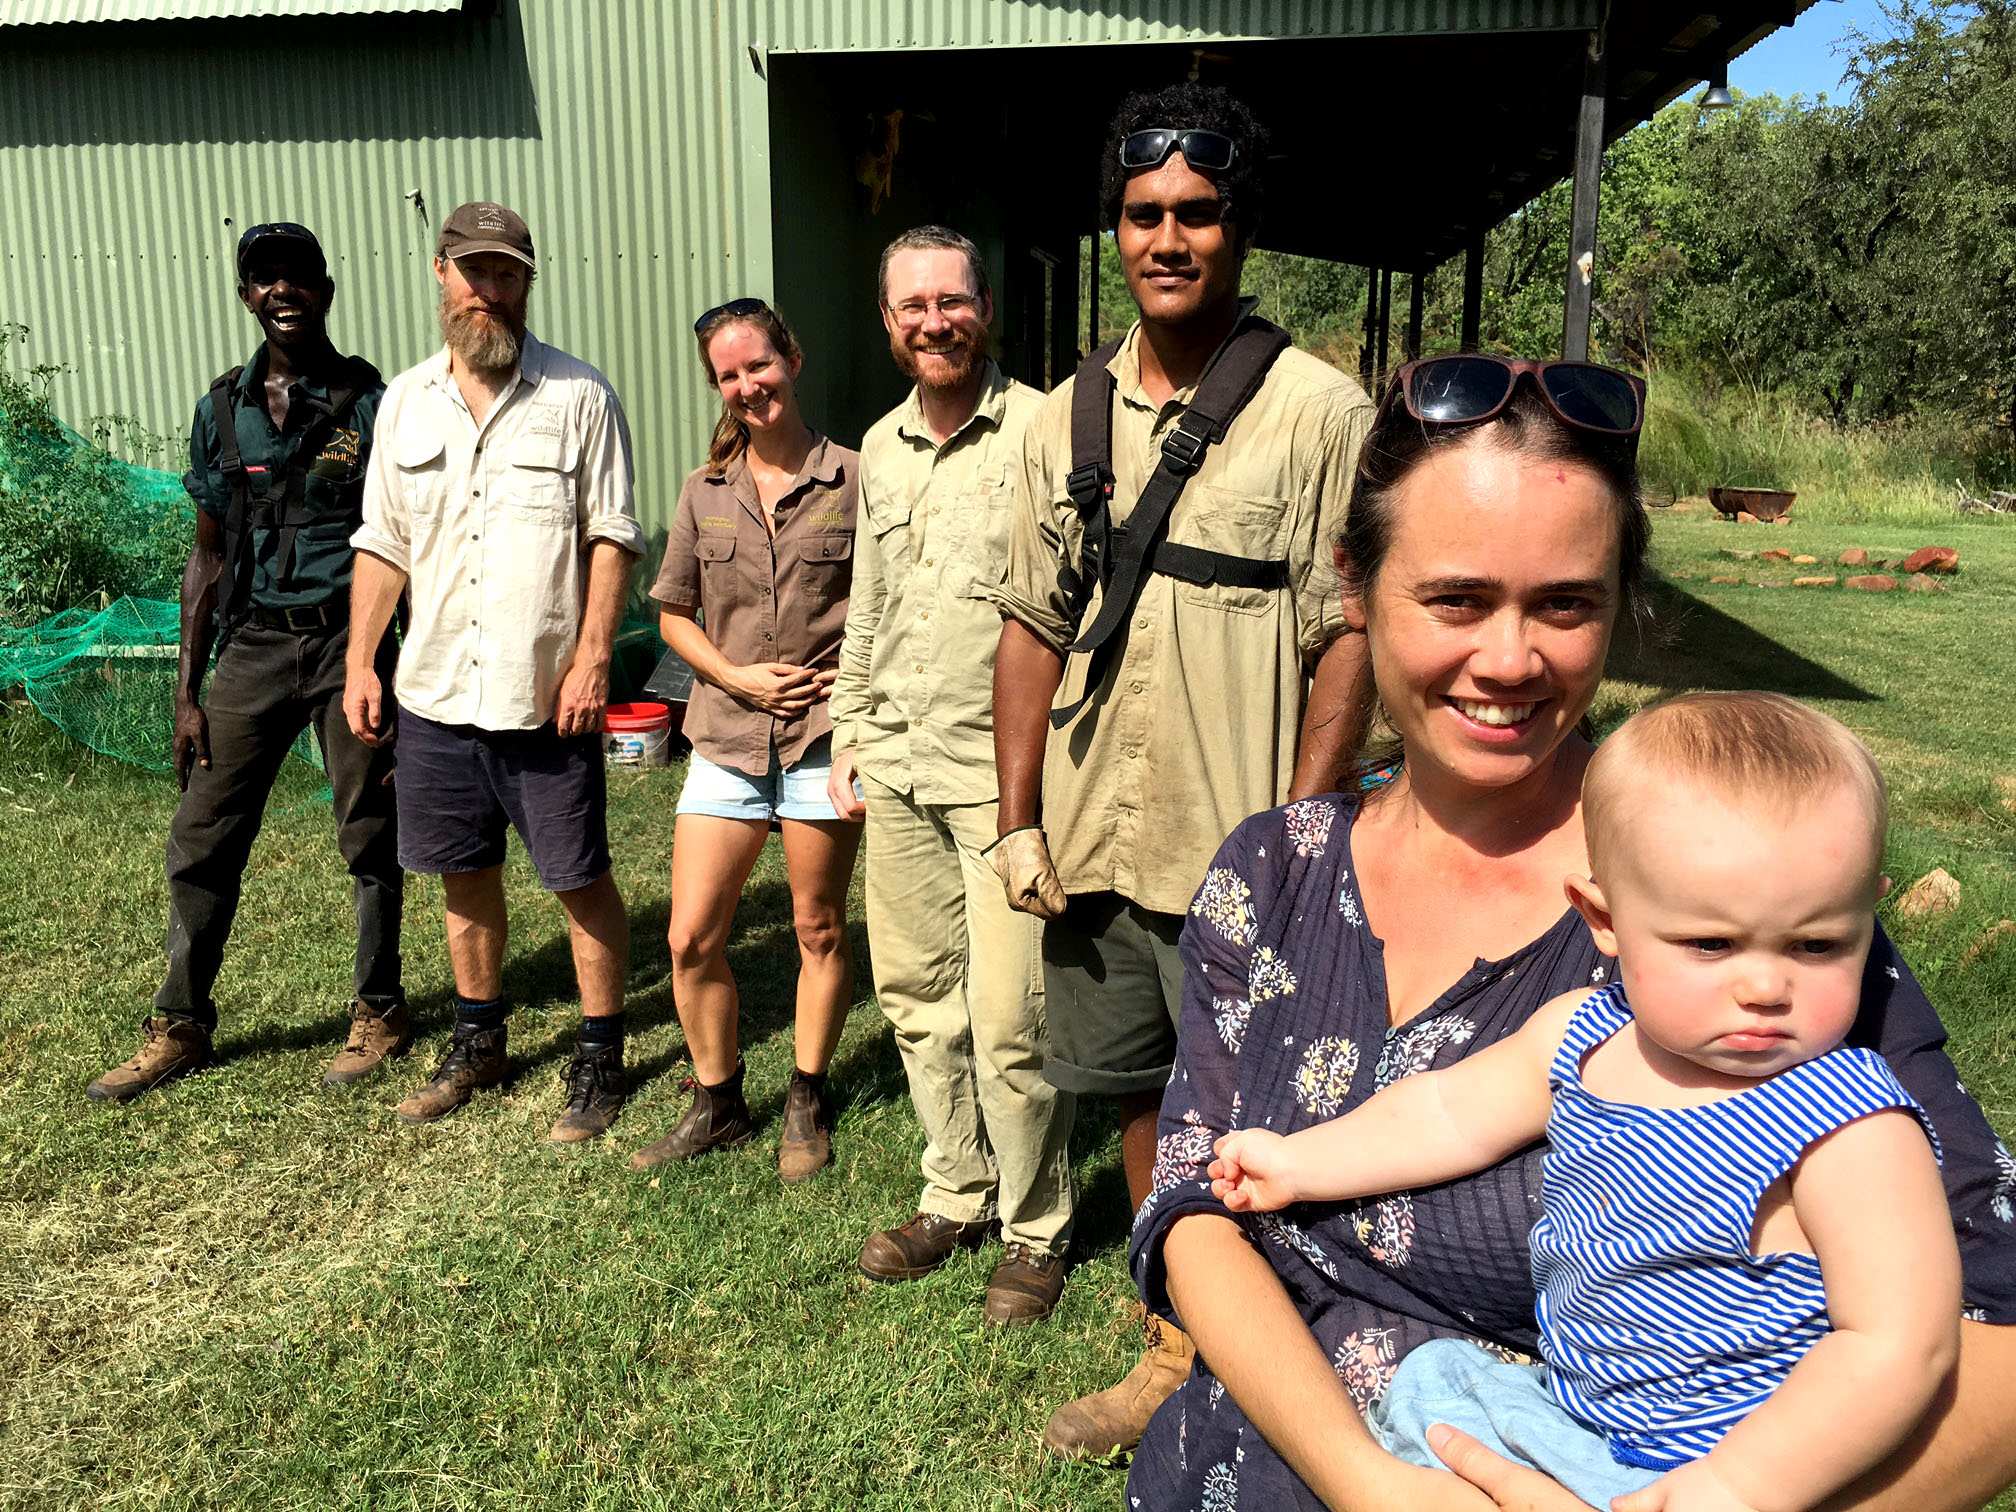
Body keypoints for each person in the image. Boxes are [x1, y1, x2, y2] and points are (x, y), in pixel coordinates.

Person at [1125, 354, 2016, 1510]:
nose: (1510, 660)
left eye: (1565, 604)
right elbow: (1194, 1207)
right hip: (1241, 1466)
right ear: (1356, 585)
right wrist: (1364, 1482)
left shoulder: (1738, 903)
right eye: (1456, 599)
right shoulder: (1273, 867)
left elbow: (1994, 1333)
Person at [1211, 691, 1959, 1512]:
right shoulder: (1585, 1036)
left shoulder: (1846, 1120)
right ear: (1603, 918)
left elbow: (1899, 1343)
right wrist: (1299, 1163)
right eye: (1710, 943)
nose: (1765, 986)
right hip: (1571, 1413)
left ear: (1867, 915)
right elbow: (1447, 1113)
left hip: (1724, 1455)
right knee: (1436, 1385)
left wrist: (1740, 1487)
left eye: (1817, 945)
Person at [986, 83, 1376, 1454]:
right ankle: (1174, 1336)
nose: (1168, 237)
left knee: (1259, 1105)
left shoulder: (1322, 415)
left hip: (1239, 844)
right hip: (1091, 839)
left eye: (1198, 214)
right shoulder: (1058, 418)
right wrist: (1015, 819)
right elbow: (1030, 625)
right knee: (1140, 1090)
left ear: (1240, 230)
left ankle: (1274, 1335)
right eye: (1144, 214)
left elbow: (1349, 638)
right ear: (1117, 229)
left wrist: (1306, 833)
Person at [344, 201, 644, 1144]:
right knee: (460, 873)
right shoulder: (403, 401)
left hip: (543, 696)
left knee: (577, 878)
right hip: (433, 692)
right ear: (440, 274)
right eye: (473, 272)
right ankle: (480, 1040)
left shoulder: (579, 397)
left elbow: (611, 535)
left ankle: (600, 1053)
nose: (490, 292)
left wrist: (593, 656)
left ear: (528, 282)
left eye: (507, 274)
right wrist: (361, 659)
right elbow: (383, 542)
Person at [88, 222, 406, 1103]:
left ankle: (381, 1006)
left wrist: (388, 658)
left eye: (297, 277)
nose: (283, 291)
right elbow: (207, 555)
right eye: (264, 278)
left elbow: (408, 539)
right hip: (256, 647)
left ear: (327, 289)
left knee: (370, 831)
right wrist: (188, 694)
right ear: (246, 296)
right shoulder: (220, 408)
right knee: (201, 837)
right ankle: (180, 1023)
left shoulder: (373, 402)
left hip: (353, 643)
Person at [827, 227, 1075, 1323]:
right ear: (888, 324)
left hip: (1006, 782)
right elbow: (869, 603)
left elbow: (1078, 605)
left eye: (952, 301)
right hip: (901, 761)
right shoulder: (878, 447)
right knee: (920, 1002)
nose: (934, 321)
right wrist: (847, 728)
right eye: (912, 306)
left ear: (985, 308)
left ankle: (1036, 1227)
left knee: (1012, 1013)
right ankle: (956, 1192)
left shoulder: (1048, 430)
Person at [626, 298, 860, 1184]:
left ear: (790, 359)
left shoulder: (857, 479)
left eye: (757, 365)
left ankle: (807, 1091)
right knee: (690, 938)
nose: (746, 386)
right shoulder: (703, 491)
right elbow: (673, 614)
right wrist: (734, 676)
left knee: (818, 927)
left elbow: (882, 609)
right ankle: (717, 1100)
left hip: (823, 736)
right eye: (728, 375)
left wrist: (848, 683)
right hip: (725, 737)